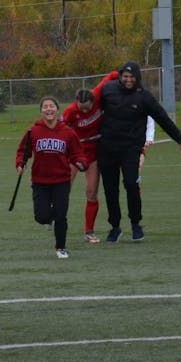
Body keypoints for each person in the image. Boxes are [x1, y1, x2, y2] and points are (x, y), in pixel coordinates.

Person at [97, 61, 181, 243]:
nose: (128, 80)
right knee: (110, 189)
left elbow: (162, 118)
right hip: (107, 148)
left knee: (131, 184)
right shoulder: (107, 90)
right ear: (120, 76)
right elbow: (92, 112)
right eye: (125, 76)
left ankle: (135, 224)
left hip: (131, 149)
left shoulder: (144, 97)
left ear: (137, 78)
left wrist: (180, 140)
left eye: (132, 77)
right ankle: (115, 227)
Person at [17, 97, 85, 258]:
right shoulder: (32, 131)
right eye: (45, 107)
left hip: (62, 180)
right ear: (41, 111)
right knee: (41, 216)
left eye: (52, 106)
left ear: (57, 110)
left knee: (61, 215)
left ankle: (60, 247)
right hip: (40, 181)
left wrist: (81, 162)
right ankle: (51, 220)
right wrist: (21, 163)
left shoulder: (67, 132)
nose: (49, 109)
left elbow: (77, 153)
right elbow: (23, 151)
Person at [61, 70, 117, 244]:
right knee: (63, 188)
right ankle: (54, 216)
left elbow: (113, 74)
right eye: (81, 108)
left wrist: (127, 78)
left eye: (87, 108)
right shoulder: (70, 111)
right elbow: (60, 130)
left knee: (92, 192)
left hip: (93, 153)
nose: (84, 111)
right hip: (74, 153)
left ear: (93, 101)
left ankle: (89, 231)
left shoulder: (98, 94)